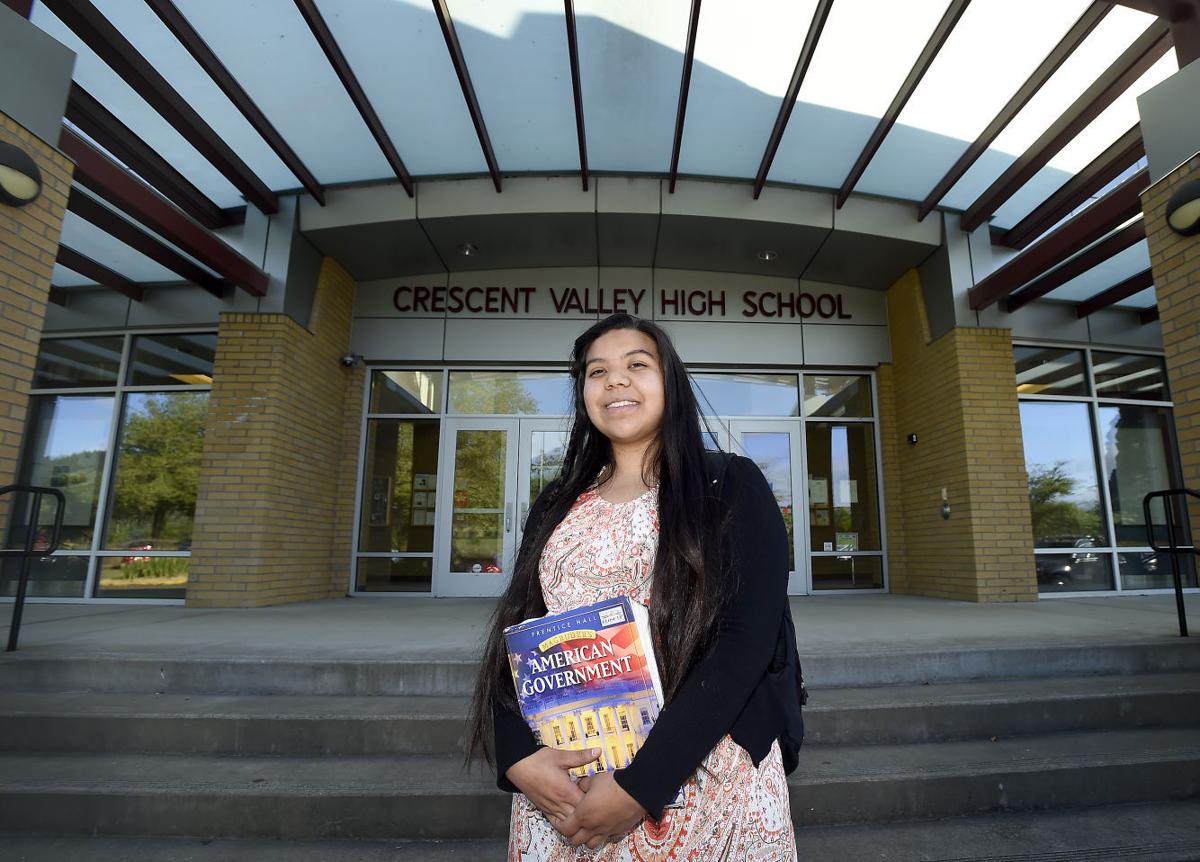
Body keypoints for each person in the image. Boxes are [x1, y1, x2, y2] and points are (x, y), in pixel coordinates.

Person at [466, 312, 800, 860]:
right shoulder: (557, 502)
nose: (615, 380)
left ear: (670, 381)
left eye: (637, 365)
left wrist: (639, 787)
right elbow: (518, 634)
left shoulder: (732, 485)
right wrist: (517, 756)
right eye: (597, 372)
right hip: (569, 788)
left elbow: (746, 642)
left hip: (704, 778)